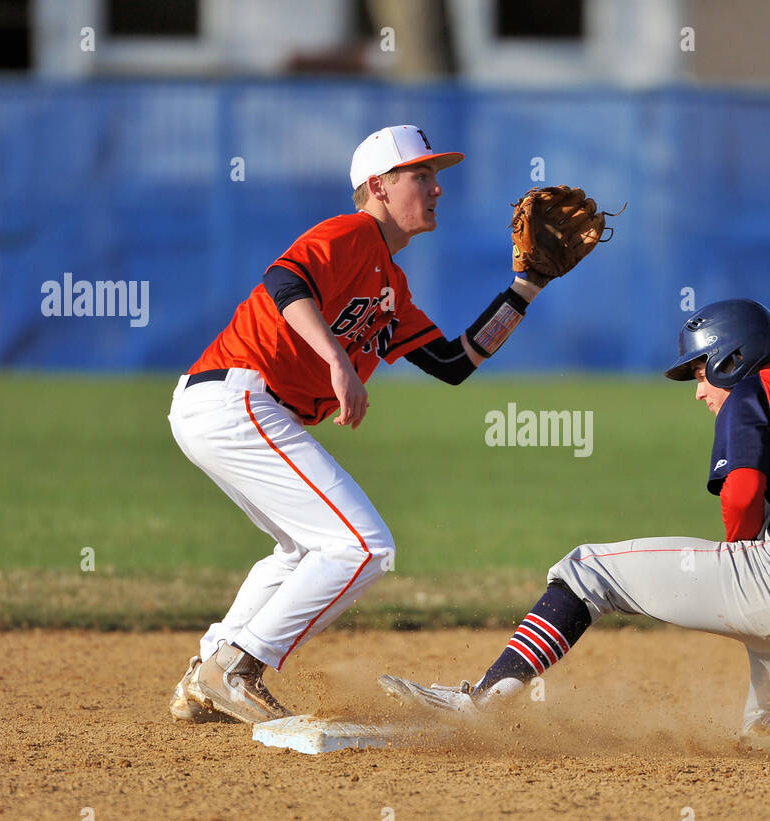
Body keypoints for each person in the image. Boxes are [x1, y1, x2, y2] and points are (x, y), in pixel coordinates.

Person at [379, 299, 770, 745]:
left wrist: (739, 561)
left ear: (731, 359)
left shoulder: (751, 391)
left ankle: (484, 702)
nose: (698, 390)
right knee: (766, 743)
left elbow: (742, 492)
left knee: (586, 570)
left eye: (700, 371)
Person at [167, 124, 560, 725]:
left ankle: (206, 673)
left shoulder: (392, 285)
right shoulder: (352, 233)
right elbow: (284, 281)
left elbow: (456, 363)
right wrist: (336, 361)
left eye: (436, 177)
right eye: (421, 176)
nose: (436, 190)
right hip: (237, 396)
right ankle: (237, 665)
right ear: (379, 185)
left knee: (300, 550)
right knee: (364, 545)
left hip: (226, 407)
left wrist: (525, 287)